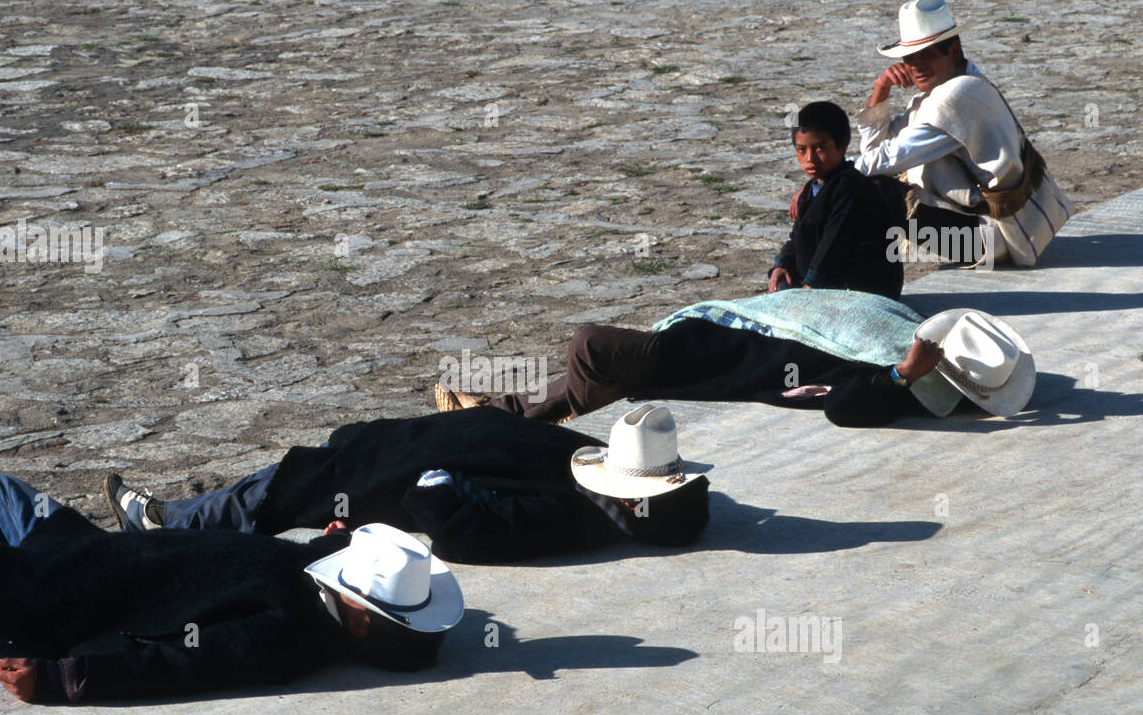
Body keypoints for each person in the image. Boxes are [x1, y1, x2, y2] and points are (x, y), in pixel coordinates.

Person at [0, 473, 461, 703]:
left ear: (359, 618)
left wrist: (60, 678)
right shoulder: (319, 593)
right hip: (91, 554)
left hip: (71, 597)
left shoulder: (289, 633)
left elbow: (185, 664)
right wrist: (332, 546)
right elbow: (294, 563)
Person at [104, 405, 710, 562]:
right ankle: (180, 521)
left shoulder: (565, 517)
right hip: (417, 441)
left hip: (397, 472)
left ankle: (169, 523)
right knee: (300, 475)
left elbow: (463, 533)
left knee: (281, 489)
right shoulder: (592, 465)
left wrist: (431, 482)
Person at [437, 293, 1035, 428]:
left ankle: (500, 412)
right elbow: (830, 305)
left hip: (699, 360)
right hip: (715, 336)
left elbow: (847, 408)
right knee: (598, 373)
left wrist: (904, 372)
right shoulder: (898, 328)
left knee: (591, 345)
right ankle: (500, 412)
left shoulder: (890, 373)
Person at [846, 0, 1070, 266]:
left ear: (953, 52)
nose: (916, 67)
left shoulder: (954, 97)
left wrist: (826, 177)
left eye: (925, 55)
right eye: (909, 58)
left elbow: (880, 161)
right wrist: (880, 91)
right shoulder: (954, 83)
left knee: (875, 191)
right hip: (1005, 229)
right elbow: (876, 151)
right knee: (862, 181)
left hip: (994, 239)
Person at [769, 101, 902, 299]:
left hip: (863, 287)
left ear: (841, 146)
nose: (810, 158)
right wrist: (782, 264)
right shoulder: (812, 189)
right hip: (824, 281)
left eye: (820, 148)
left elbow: (835, 242)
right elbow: (798, 235)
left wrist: (811, 285)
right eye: (801, 150)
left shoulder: (850, 187)